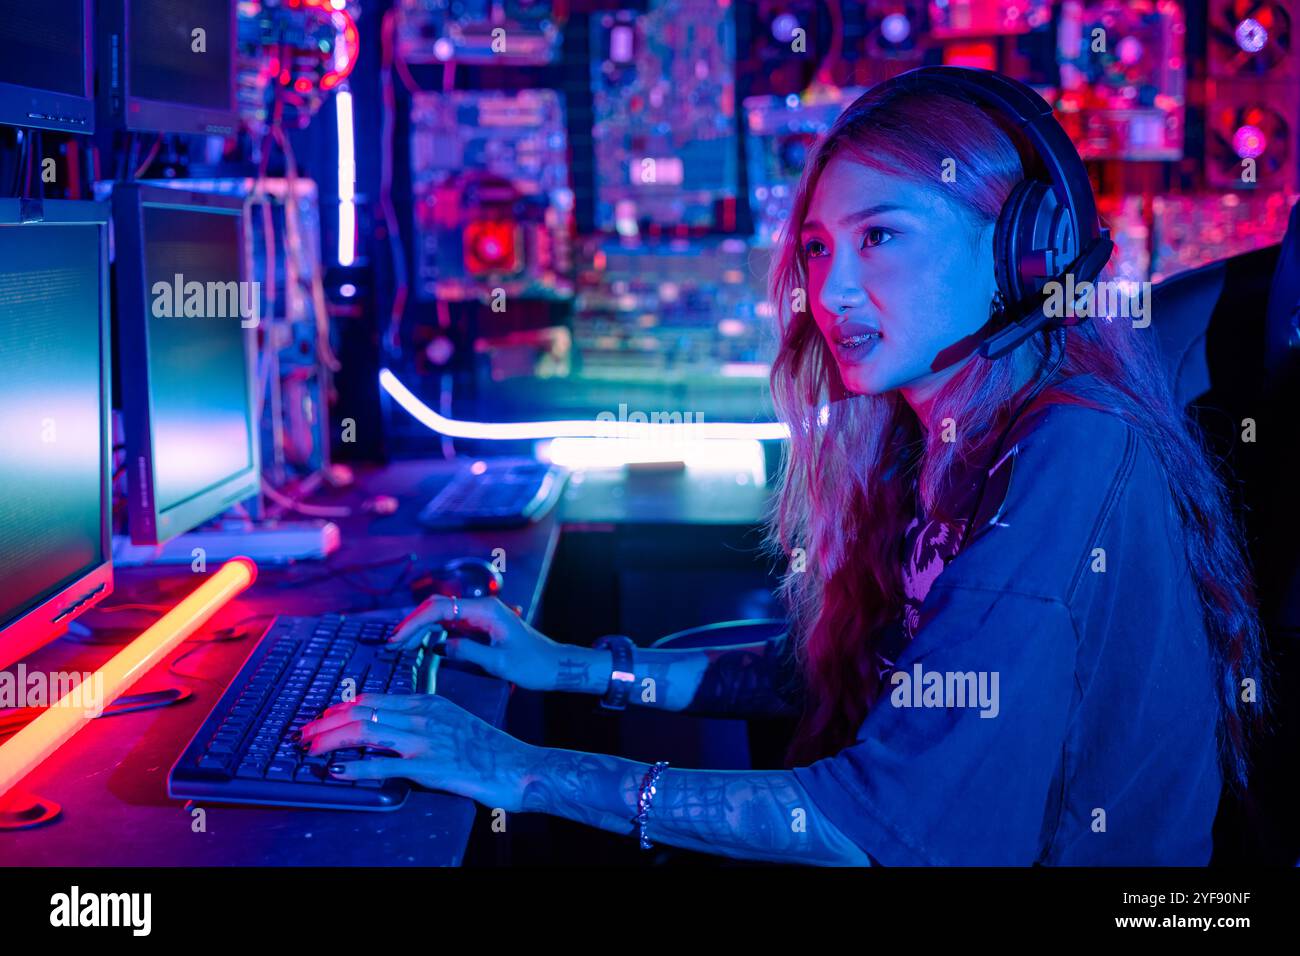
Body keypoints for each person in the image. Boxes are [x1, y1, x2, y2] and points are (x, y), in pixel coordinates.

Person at [300, 71, 1269, 865]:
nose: (829, 288)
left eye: (879, 236)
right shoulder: (940, 431)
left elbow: (880, 820)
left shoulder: (1066, 449)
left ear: (1027, 250)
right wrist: (576, 666)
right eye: (815, 248)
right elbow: (874, 677)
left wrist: (521, 771)